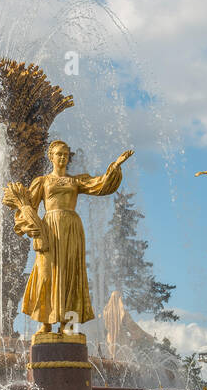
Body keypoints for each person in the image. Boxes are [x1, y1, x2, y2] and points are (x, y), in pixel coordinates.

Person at [8, 140, 131, 335]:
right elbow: (28, 205)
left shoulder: (75, 181)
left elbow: (99, 185)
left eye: (66, 154)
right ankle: (45, 322)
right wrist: (28, 220)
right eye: (59, 154)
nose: (63, 157)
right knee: (45, 273)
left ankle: (67, 324)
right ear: (51, 157)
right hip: (49, 228)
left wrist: (115, 166)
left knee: (70, 273)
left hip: (72, 228)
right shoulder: (42, 181)